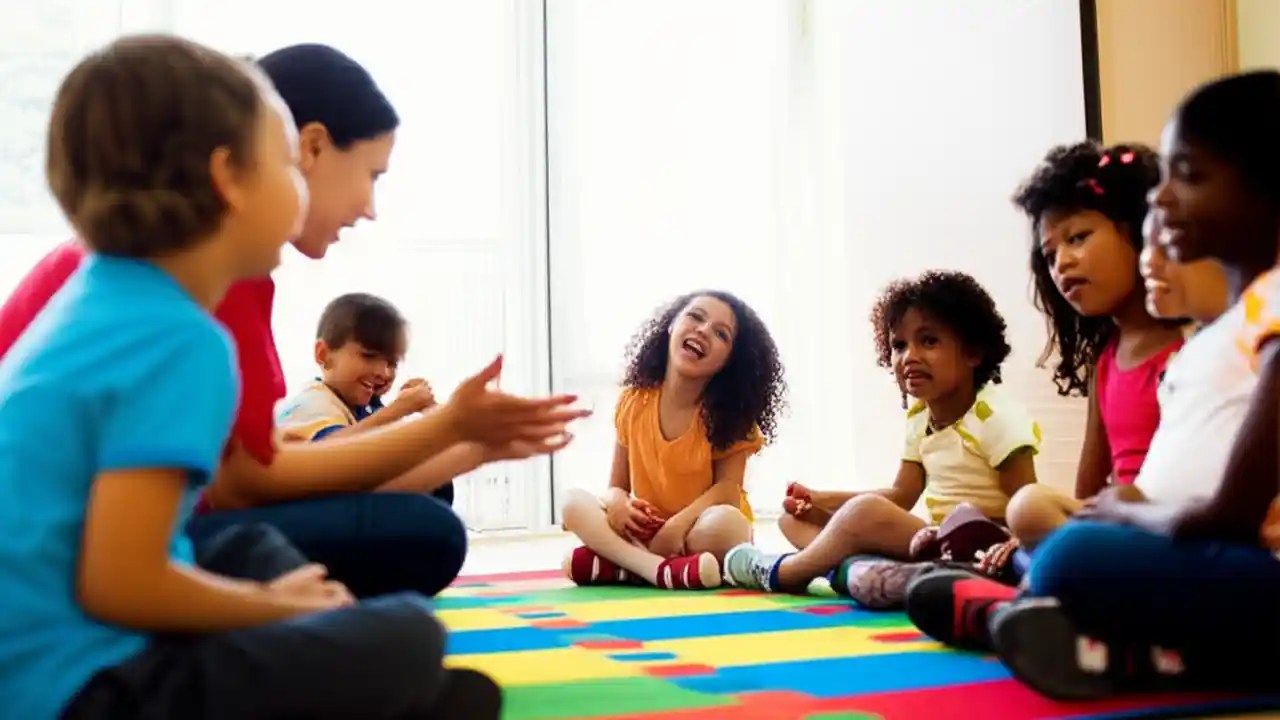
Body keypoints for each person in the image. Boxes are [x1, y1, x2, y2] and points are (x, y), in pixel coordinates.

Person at [0, 35, 585, 718]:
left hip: (50, 644)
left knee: (283, 576)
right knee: (409, 635)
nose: (353, 203)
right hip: (80, 686)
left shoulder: (106, 298)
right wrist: (267, 607)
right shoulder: (180, 336)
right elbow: (121, 583)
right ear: (230, 178)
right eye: (284, 162)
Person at [0, 44, 483, 598]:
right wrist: (452, 433)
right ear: (309, 149)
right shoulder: (186, 286)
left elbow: (251, 466)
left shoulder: (153, 274)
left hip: (83, 565)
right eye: (371, 174)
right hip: (75, 575)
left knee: (422, 518)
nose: (371, 207)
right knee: (426, 535)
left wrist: (458, 440)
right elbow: (243, 485)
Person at [905, 73, 1280, 694]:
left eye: (1187, 174)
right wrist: (1123, 513)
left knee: (1068, 558)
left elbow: (1227, 514)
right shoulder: (1228, 327)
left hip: (1243, 559)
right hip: (1194, 546)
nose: (1162, 202)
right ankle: (1080, 635)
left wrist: (1137, 516)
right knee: (1061, 547)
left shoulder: (1269, 312)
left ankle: (1025, 615)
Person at [722, 271, 1040, 605]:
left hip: (987, 547)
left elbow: (1025, 505)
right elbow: (901, 494)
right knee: (794, 519)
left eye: (929, 341)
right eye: (899, 345)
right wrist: (819, 500)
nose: (910, 357)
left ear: (974, 353)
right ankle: (859, 572)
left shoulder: (995, 417)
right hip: (933, 541)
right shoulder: (920, 418)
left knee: (863, 515)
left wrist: (1012, 547)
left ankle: (785, 573)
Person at [999, 143, 1185, 552]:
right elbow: (1086, 492)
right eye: (1049, 256)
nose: (1062, 263)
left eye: (1077, 237)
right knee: (1030, 509)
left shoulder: (1189, 348)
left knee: (1030, 512)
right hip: (1115, 529)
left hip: (1174, 528)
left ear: (1141, 231)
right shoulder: (1107, 360)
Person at [560, 291, 787, 590]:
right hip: (646, 532)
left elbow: (728, 491)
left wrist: (677, 526)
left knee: (727, 526)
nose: (703, 330)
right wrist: (617, 504)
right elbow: (617, 486)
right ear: (670, 325)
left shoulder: (732, 417)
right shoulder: (633, 400)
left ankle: (624, 566)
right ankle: (655, 568)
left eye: (721, 333)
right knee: (571, 503)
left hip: (698, 530)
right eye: (695, 317)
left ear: (730, 361)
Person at [276, 292, 463, 505]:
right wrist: (399, 409)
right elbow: (330, 454)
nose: (384, 372)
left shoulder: (363, 407)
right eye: (369, 356)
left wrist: (429, 409)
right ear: (324, 355)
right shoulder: (312, 403)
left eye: (391, 364)